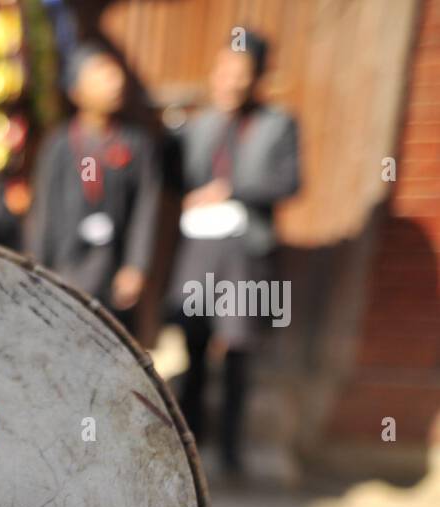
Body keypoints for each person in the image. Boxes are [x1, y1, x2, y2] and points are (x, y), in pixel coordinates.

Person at [166, 31, 299, 477]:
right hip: (200, 245)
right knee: (194, 342)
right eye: (224, 71)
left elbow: (289, 182)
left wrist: (233, 190)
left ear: (258, 76)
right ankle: (192, 446)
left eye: (241, 73)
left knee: (239, 347)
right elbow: (181, 179)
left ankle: (231, 452)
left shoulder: (278, 124)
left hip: (247, 251)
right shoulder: (199, 124)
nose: (230, 81)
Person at [26, 43, 159, 330]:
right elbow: (42, 211)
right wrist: (36, 269)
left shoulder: (135, 143)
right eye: (102, 77)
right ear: (76, 91)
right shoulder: (59, 144)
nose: (115, 84)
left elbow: (145, 208)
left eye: (116, 76)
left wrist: (136, 267)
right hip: (65, 265)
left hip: (112, 267)